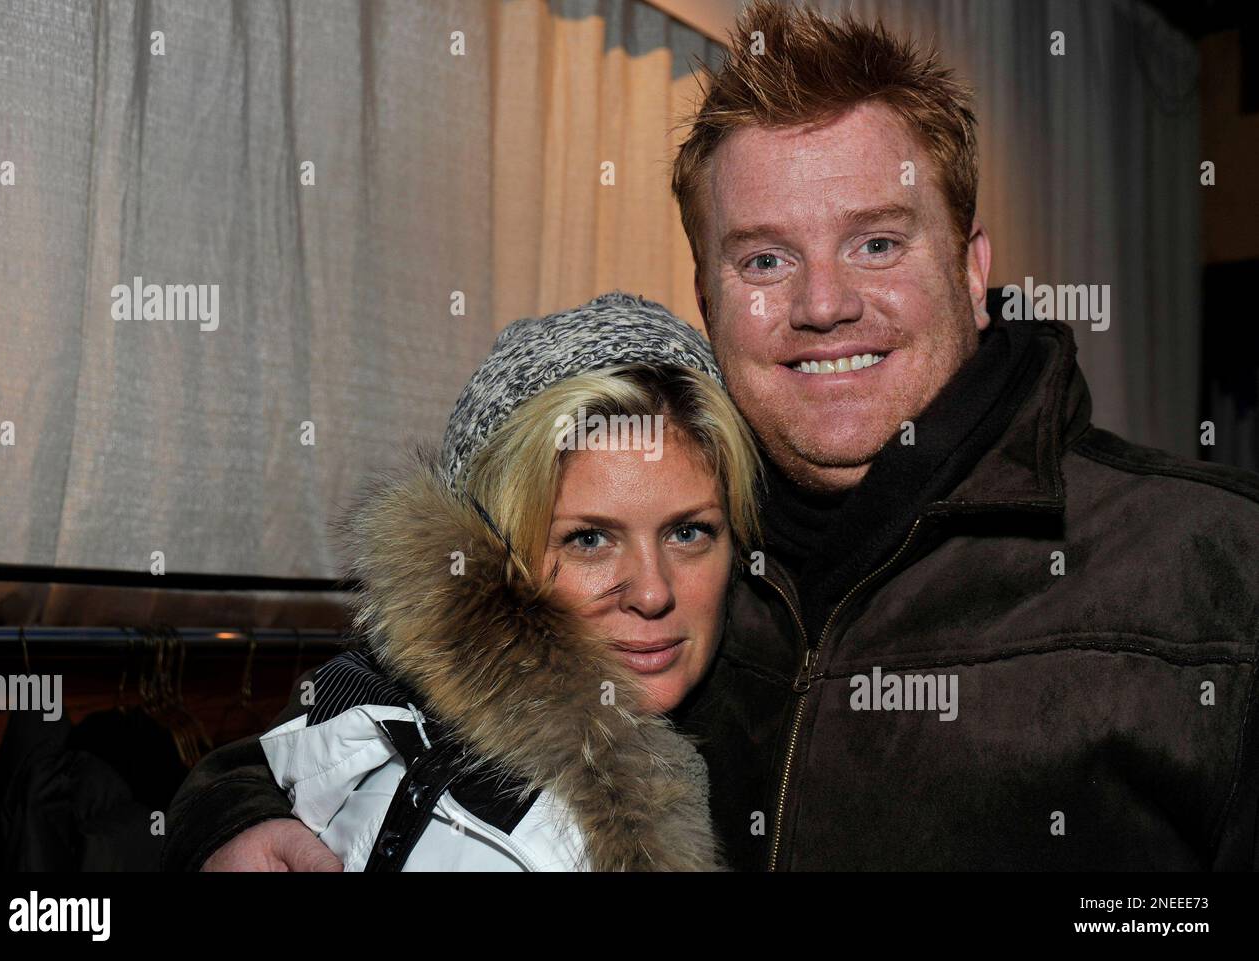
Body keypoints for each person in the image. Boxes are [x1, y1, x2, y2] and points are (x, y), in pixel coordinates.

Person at [165, 1, 1259, 872]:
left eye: (877, 242)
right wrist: (233, 810)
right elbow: (393, 703)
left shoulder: (1208, 567)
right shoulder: (679, 541)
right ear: (706, 292)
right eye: (765, 259)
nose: (823, 304)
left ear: (971, 271)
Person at [168, 293, 761, 871]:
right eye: (588, 539)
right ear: (493, 561)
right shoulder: (377, 722)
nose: (653, 593)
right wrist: (228, 822)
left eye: (688, 532)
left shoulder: (778, 704)